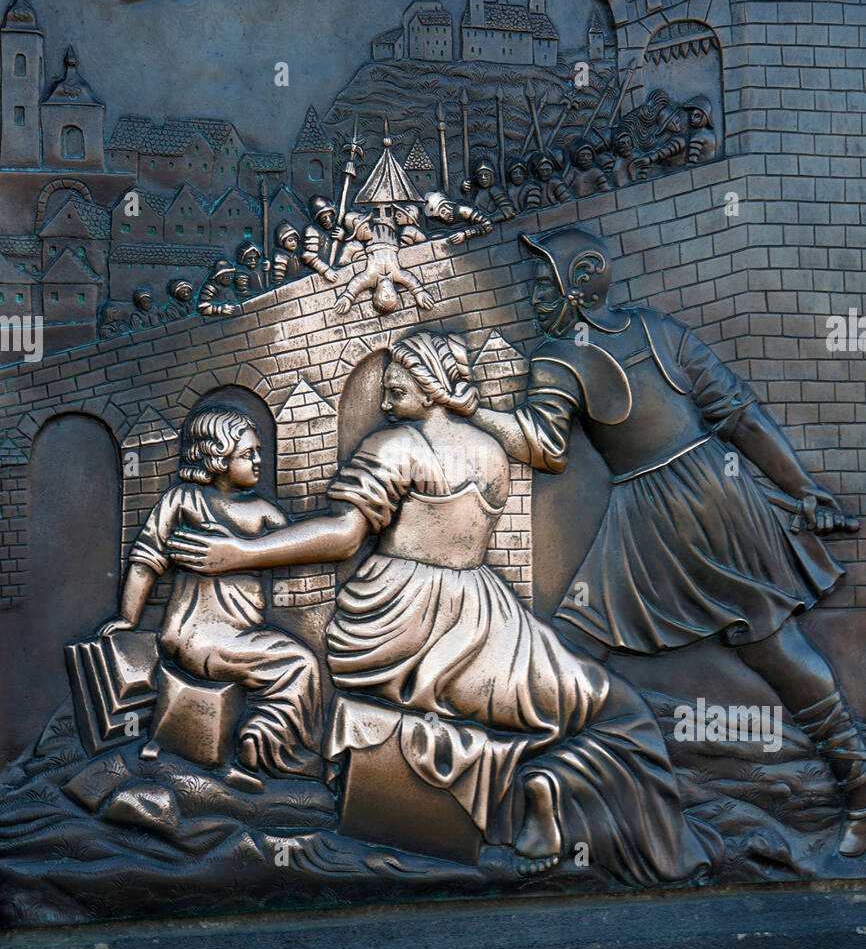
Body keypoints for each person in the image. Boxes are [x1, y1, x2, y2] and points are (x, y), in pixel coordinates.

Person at [166, 333, 722, 885]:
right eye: (384, 391)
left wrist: (243, 553)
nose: (384, 401)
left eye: (396, 387)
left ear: (429, 385)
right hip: (482, 616)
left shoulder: (395, 446)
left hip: (393, 624)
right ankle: (548, 783)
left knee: (574, 707)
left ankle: (531, 784)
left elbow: (342, 536)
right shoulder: (489, 449)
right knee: (614, 708)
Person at [469, 225, 866, 857]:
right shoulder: (659, 329)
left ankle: (536, 798)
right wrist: (803, 485)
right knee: (772, 648)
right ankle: (556, 794)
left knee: (577, 647)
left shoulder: (558, 358)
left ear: (579, 284)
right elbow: (739, 416)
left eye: (544, 281)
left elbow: (544, 447)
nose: (534, 292)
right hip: (719, 492)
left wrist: (474, 412)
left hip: (658, 514)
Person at [100, 406, 323, 782]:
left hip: (184, 639)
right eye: (247, 453)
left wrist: (129, 617)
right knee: (300, 665)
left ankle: (234, 739)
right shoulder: (258, 513)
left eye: (257, 451)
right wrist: (127, 618)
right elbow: (144, 561)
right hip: (218, 640)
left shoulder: (183, 501)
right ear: (217, 458)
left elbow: (144, 560)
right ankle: (261, 743)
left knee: (280, 658)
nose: (258, 460)